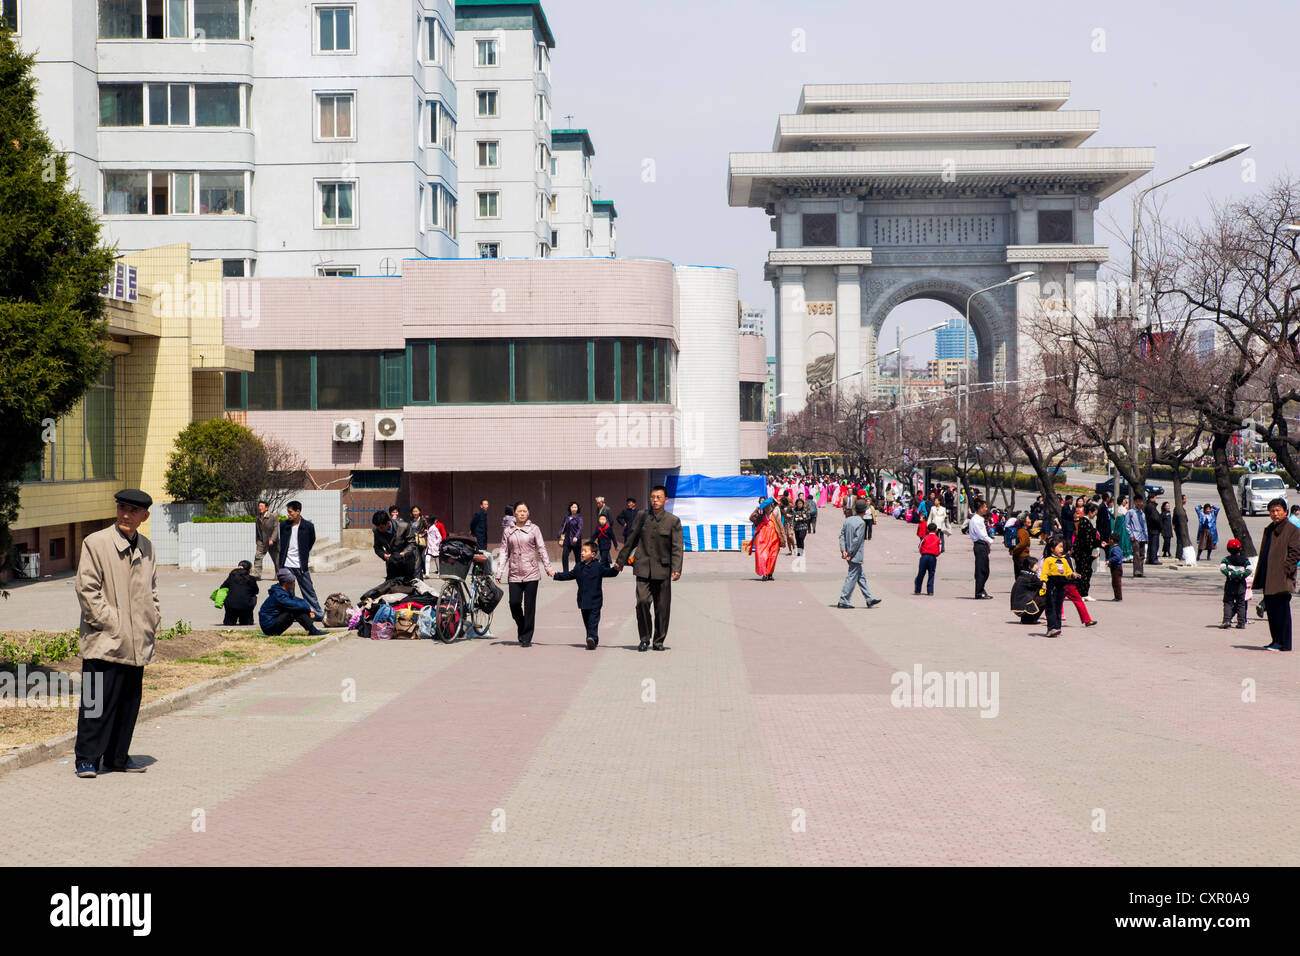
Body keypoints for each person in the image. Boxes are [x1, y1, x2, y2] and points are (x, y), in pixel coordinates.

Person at [73, 489, 160, 778]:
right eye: (122, 508)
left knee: (127, 704)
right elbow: (87, 588)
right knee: (96, 702)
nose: (126, 514)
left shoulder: (146, 546)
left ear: (144, 516)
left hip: (137, 640)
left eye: (133, 511)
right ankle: (86, 758)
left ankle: (117, 757)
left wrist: (151, 618)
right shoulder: (95, 543)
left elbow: (152, 590)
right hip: (105, 638)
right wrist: (112, 623)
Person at [615, 485, 683, 652]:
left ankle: (658, 640)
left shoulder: (673, 521)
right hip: (643, 567)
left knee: (662, 607)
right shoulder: (642, 516)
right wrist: (620, 560)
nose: (655, 500)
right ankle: (644, 638)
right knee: (642, 602)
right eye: (653, 497)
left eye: (659, 497)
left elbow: (677, 547)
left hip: (663, 569)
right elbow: (631, 539)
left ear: (666, 500)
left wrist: (677, 568)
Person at [499, 501, 555, 647]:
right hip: (514, 573)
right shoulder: (508, 531)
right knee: (514, 603)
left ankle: (526, 637)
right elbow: (504, 552)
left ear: (528, 513)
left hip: (531, 572)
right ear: (514, 513)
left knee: (530, 607)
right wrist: (499, 572)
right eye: (519, 511)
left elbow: (541, 548)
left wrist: (548, 568)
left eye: (525, 511)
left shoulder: (534, 529)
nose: (522, 513)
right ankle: (522, 625)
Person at [553, 540, 621, 649]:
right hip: (583, 600)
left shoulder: (598, 567)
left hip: (595, 600)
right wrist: (555, 575)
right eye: (582, 551)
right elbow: (569, 575)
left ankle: (591, 637)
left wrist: (616, 569)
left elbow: (609, 573)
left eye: (585, 551)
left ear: (593, 554)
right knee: (587, 622)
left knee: (593, 621)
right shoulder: (578, 566)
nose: (582, 553)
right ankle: (593, 639)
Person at [1252, 498, 1300, 651]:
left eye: (1278, 510)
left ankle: (1283, 643)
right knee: (1272, 611)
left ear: (1285, 512)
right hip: (1269, 576)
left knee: (1281, 611)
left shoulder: (1292, 530)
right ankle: (1275, 640)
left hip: (1282, 577)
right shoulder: (1270, 529)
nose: (1275, 514)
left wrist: (1287, 570)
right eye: (1272, 511)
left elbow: (1295, 553)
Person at [278, 500, 321, 618]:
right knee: (287, 592)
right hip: (286, 564)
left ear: (298, 511)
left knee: (308, 591)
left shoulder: (308, 526)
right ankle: (291, 615)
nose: (288, 514)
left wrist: (303, 554)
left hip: (300, 564)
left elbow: (311, 541)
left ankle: (317, 613)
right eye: (287, 512)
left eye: (290, 512)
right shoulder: (283, 525)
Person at [837, 499, 882, 609]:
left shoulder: (847, 520)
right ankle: (843, 599)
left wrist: (843, 550)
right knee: (852, 576)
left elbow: (841, 536)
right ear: (864, 511)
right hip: (855, 554)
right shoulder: (861, 523)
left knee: (860, 576)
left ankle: (869, 598)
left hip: (847, 552)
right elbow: (857, 540)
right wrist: (850, 553)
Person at [259, 568, 325, 637]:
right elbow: (295, 605)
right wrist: (308, 609)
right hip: (269, 628)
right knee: (295, 610)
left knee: (297, 607)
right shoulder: (279, 595)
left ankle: (313, 630)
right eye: (292, 581)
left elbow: (299, 600)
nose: (294, 583)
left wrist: (309, 608)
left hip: (274, 622)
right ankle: (313, 631)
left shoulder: (283, 591)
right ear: (285, 583)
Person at [1040, 536, 1081, 638]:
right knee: (1051, 607)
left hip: (1061, 586)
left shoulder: (1064, 560)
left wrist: (1073, 575)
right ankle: (1051, 628)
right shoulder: (1049, 560)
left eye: (1062, 547)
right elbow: (1044, 572)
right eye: (1059, 547)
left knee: (1058, 607)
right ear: (1052, 548)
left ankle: (1057, 627)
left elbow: (1068, 572)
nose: (1061, 549)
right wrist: (1044, 582)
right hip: (1052, 585)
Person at [372, 509, 418, 581]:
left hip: (408, 561)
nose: (379, 530)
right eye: (377, 527)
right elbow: (377, 548)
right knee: (391, 586)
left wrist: (403, 553)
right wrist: (384, 555)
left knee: (410, 586)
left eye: (381, 527)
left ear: (388, 523)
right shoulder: (376, 530)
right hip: (392, 561)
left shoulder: (404, 526)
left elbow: (412, 544)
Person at [1072, 503, 1102, 601]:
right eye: (1094, 513)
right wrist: (1097, 547)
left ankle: (1082, 593)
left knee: (1083, 571)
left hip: (1083, 551)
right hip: (1084, 552)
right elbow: (1088, 540)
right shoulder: (1085, 522)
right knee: (1084, 572)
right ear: (1090, 512)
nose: (1095, 515)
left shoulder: (1085, 521)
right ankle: (1083, 593)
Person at [1219, 538, 1250, 630]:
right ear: (1240, 549)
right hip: (1241, 584)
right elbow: (1250, 569)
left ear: (1228, 549)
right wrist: (1242, 575)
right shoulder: (1245, 560)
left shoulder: (1226, 559)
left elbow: (1222, 568)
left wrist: (1230, 574)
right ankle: (1241, 622)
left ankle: (1226, 621)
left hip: (1230, 584)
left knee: (1228, 602)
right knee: (1241, 603)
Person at [218, 560, 258, 626]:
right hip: (246, 606)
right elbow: (256, 591)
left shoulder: (231, 577)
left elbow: (222, 588)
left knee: (229, 623)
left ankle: (230, 620)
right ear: (249, 570)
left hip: (231, 606)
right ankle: (247, 619)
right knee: (254, 597)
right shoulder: (251, 579)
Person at [968, 499, 995, 599]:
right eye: (984, 507)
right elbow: (982, 535)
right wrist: (990, 541)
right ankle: (979, 592)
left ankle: (981, 589)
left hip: (983, 545)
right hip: (979, 545)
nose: (986, 509)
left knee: (985, 570)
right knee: (981, 570)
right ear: (980, 508)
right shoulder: (976, 520)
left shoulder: (979, 518)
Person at [750, 498, 782, 580]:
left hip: (774, 539)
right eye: (766, 507)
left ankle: (770, 573)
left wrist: (783, 539)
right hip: (762, 540)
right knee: (763, 556)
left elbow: (780, 527)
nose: (768, 509)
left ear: (771, 507)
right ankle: (764, 573)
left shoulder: (774, 516)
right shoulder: (760, 517)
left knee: (772, 557)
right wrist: (756, 510)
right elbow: (751, 518)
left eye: (769, 507)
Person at [1011, 558, 1046, 625]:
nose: (1037, 566)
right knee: (1045, 599)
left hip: (1016, 606)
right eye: (1035, 565)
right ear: (1030, 566)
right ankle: (1031, 619)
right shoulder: (1031, 577)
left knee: (1037, 595)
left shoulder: (1022, 574)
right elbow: (1042, 585)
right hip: (1022, 607)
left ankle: (1026, 619)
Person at [252, 500, 279, 579]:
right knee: (258, 558)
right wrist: (257, 541)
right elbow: (257, 530)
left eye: (262, 506)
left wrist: (272, 539)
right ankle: (257, 575)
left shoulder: (273, 516)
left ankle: (278, 575)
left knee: (276, 559)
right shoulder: (258, 517)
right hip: (261, 541)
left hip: (272, 542)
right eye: (259, 506)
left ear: (266, 508)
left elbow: (276, 529)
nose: (260, 508)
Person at [915, 522, 942, 595]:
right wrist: (936, 554)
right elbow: (940, 549)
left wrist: (922, 553)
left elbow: (920, 547)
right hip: (933, 557)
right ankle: (930, 591)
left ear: (927, 529)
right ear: (936, 530)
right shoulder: (938, 539)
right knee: (931, 573)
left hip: (924, 556)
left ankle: (918, 590)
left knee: (921, 573)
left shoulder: (924, 537)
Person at [1125, 496, 1148, 578]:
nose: (1139, 503)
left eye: (1141, 502)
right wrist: (1131, 535)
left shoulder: (1143, 514)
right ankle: (1136, 571)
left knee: (1142, 555)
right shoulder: (1130, 512)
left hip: (1142, 536)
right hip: (1135, 536)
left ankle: (1141, 571)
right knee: (1136, 554)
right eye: (1137, 502)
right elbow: (1127, 525)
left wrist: (1146, 537)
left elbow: (1145, 526)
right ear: (1134, 502)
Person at [559, 501, 584, 573]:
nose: (574, 508)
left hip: (576, 541)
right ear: (570, 508)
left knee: (577, 558)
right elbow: (563, 526)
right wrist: (560, 533)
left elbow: (580, 528)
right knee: (564, 556)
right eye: (572, 507)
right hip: (567, 540)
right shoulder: (567, 517)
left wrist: (576, 536)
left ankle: (578, 571)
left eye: (575, 507)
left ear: (577, 508)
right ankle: (565, 572)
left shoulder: (579, 518)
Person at [409, 506, 429, 578]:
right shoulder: (411, 520)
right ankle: (418, 572)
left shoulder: (423, 520)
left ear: (419, 511)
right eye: (413, 511)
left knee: (422, 557)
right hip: (413, 540)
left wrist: (422, 534)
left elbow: (428, 529)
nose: (415, 513)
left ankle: (425, 571)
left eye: (416, 511)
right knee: (415, 558)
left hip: (421, 541)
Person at [1143, 494, 1162, 566]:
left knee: (1151, 544)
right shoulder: (1151, 507)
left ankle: (1150, 558)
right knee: (1154, 544)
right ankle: (1153, 559)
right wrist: (1160, 525)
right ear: (1152, 498)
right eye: (1155, 497)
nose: (1155, 499)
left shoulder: (1148, 506)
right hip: (1154, 529)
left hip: (1150, 528)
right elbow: (1155, 518)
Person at [1106, 533, 1124, 601]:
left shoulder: (1115, 549)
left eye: (1109, 539)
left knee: (1116, 583)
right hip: (1115, 568)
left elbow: (1117, 557)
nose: (1109, 541)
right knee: (1115, 582)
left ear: (1112, 540)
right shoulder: (1116, 548)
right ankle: (1117, 596)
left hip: (1116, 568)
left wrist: (1109, 561)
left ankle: (1118, 597)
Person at [1173, 494, 1191, 558]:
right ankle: (1178, 555)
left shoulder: (1181, 508)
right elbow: (1175, 519)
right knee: (1180, 541)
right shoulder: (1177, 509)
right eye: (1184, 499)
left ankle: (1180, 554)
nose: (1185, 500)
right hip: (1179, 528)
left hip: (1181, 527)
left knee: (1181, 541)